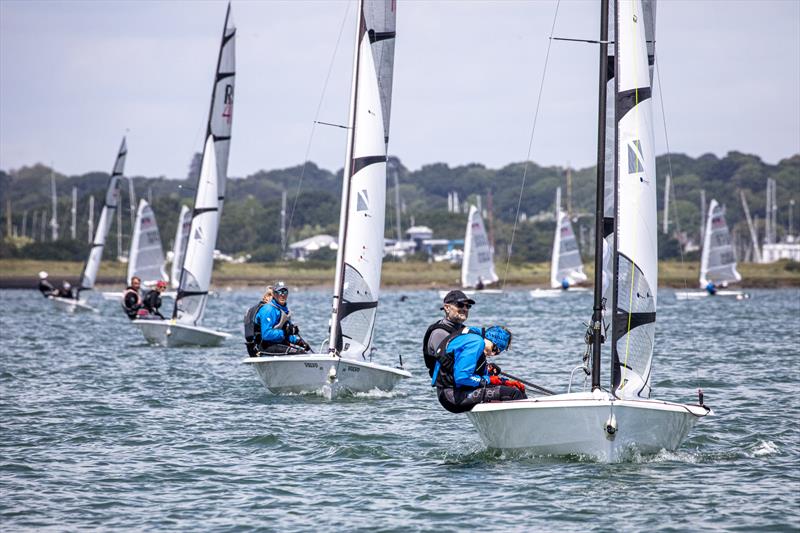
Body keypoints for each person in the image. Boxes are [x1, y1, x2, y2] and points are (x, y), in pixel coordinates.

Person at [432, 325, 526, 413]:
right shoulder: (476, 342)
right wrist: (489, 380)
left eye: (497, 353)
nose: (492, 354)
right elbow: (462, 377)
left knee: (513, 389)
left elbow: (463, 369)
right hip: (452, 396)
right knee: (514, 393)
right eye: (495, 349)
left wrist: (499, 379)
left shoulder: (473, 337)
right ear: (490, 338)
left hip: (452, 391)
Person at [423, 290, 481, 377]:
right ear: (447, 308)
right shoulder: (439, 333)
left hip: (467, 382)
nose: (465, 309)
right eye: (460, 305)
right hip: (450, 387)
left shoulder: (465, 331)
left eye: (468, 306)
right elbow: (450, 365)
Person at [253, 281, 311, 355]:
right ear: (274, 294)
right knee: (300, 353)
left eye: (285, 292)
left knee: (303, 352)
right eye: (279, 292)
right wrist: (285, 332)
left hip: (277, 344)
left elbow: (286, 335)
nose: (282, 295)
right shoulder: (268, 309)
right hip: (264, 346)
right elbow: (266, 335)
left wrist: (298, 342)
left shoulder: (283, 310)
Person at [244, 286, 273, 356]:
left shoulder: (253, 309)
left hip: (251, 348)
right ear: (266, 297)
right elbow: (268, 334)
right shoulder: (265, 310)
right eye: (272, 295)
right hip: (261, 348)